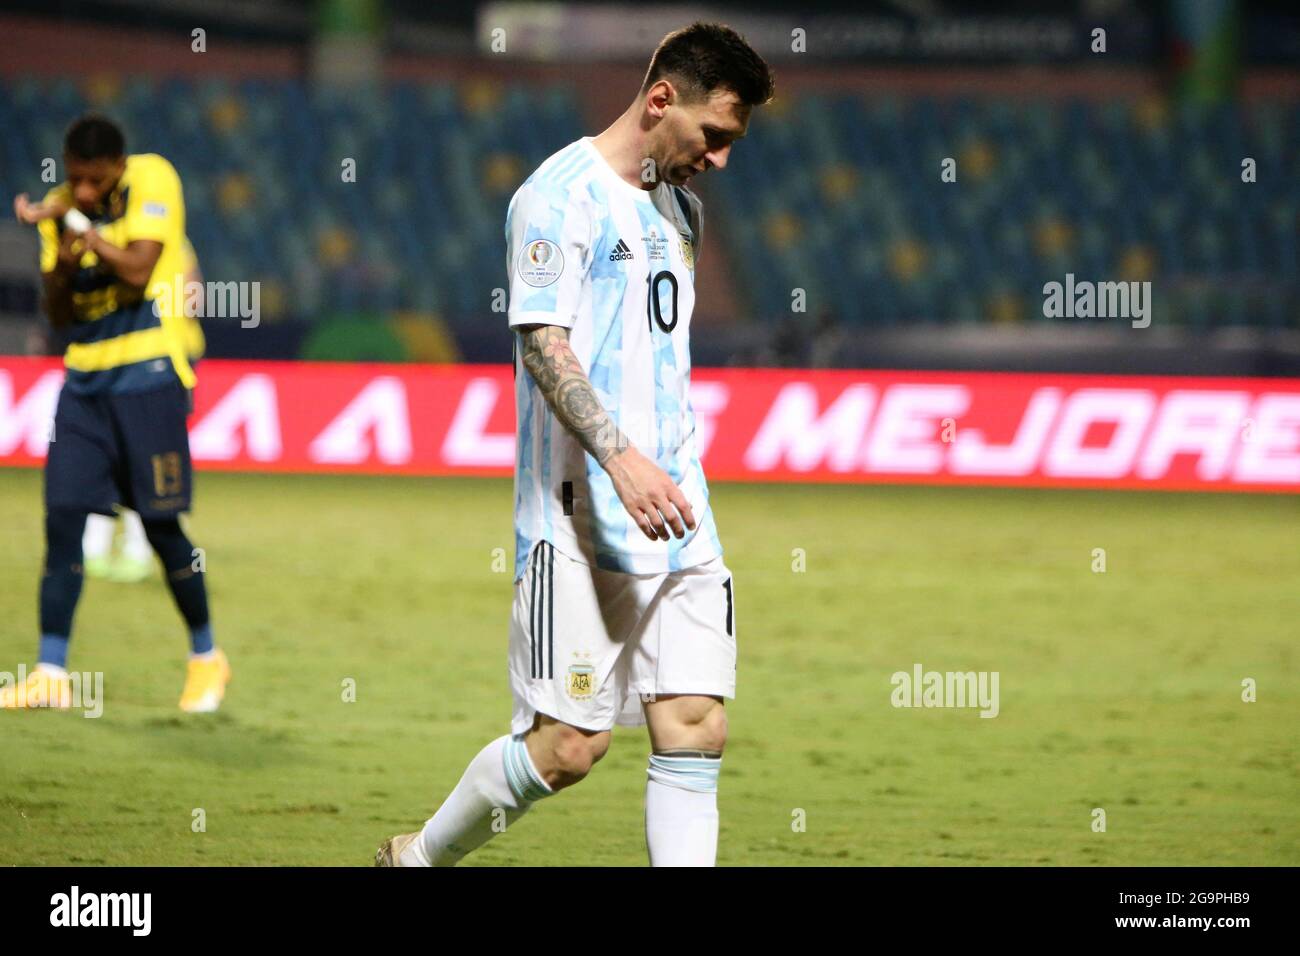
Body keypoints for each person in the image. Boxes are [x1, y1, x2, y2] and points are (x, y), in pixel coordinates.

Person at [378, 22, 773, 866]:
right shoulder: (556, 197)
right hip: (578, 518)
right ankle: (416, 859)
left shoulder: (682, 209)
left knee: (696, 725)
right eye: (715, 136)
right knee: (568, 750)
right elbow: (544, 344)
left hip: (680, 511)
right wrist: (621, 457)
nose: (721, 160)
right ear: (661, 100)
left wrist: (662, 468)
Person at [1, 114, 228, 713]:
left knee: (160, 527)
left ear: (117, 169)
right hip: (83, 384)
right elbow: (59, 312)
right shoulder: (62, 207)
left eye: (92, 181)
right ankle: (50, 672)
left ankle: (207, 658)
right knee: (63, 519)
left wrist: (81, 230)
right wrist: (67, 264)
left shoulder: (154, 179)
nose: (80, 192)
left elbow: (137, 273)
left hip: (148, 377)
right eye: (73, 179)